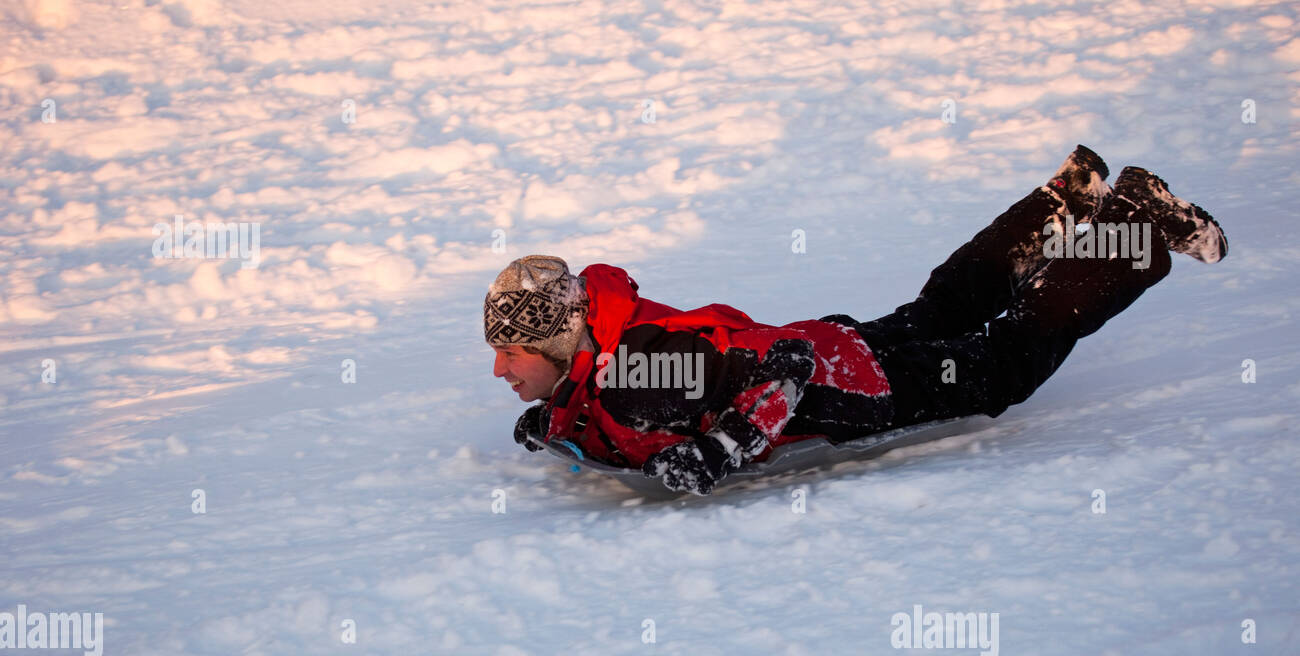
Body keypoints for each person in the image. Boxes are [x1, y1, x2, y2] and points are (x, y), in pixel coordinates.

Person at [484, 145, 1227, 495]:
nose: (499, 368)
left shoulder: (640, 373)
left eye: (512, 350)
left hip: (843, 380)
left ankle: (1134, 219)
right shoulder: (607, 351)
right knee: (937, 311)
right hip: (828, 342)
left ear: (555, 338)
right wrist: (556, 420)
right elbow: (605, 399)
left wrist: (722, 449)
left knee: (1008, 360)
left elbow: (789, 377)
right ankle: (1068, 197)